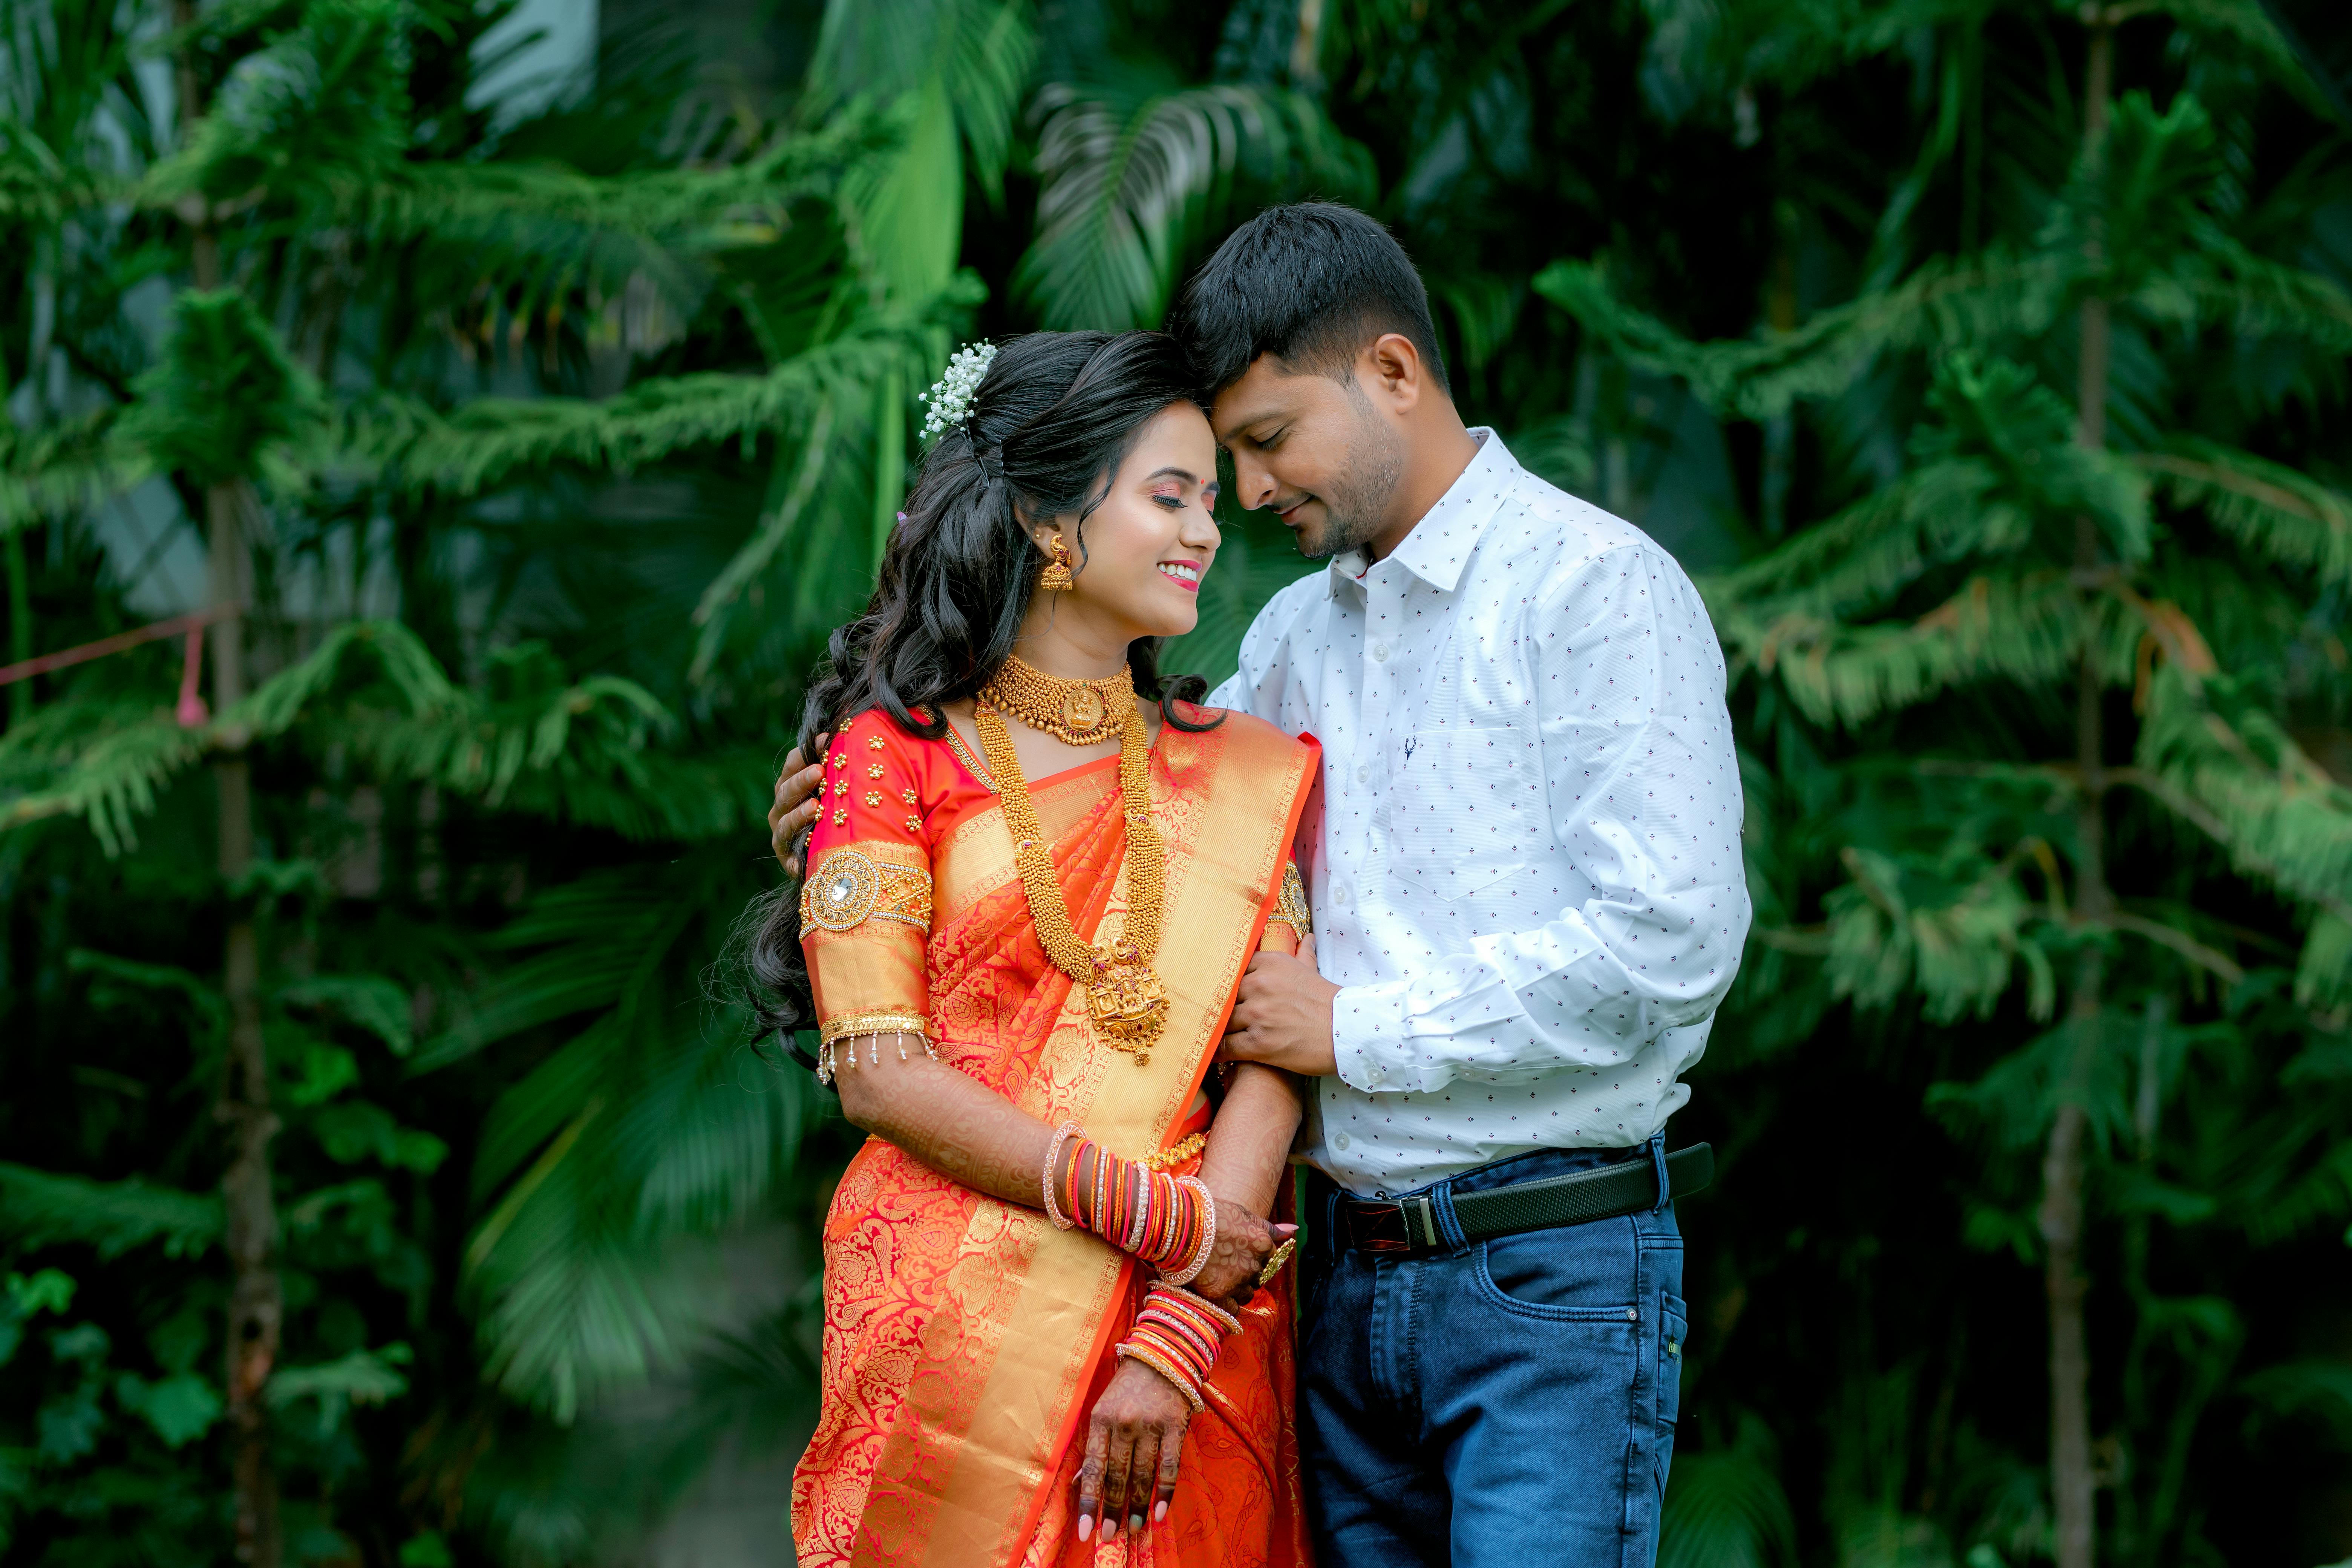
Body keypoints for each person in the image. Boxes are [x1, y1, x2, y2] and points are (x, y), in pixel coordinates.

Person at [773, 205, 1751, 1567]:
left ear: (1393, 374)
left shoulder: (1593, 592)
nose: (1241, 498)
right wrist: (858, 822)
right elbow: (1109, 837)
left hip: (1545, 1275)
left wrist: (1349, 1032)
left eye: (1262, 443)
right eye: (1203, 467)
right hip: (1337, 1286)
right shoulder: (1295, 644)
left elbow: (1669, 948)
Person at [744, 330, 1321, 1568]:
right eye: (1169, 497)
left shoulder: (1241, 772)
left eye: (1213, 501)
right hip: (952, 1334)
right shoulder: (887, 761)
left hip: (1191, 1345)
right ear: (1050, 525)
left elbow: (1275, 1055)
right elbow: (878, 1068)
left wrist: (1175, 1333)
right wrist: (1164, 1220)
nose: (1208, 532)